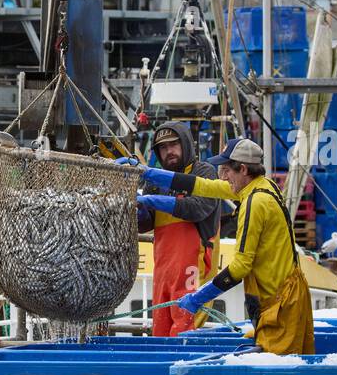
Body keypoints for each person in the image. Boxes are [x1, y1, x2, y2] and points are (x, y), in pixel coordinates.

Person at [141, 137, 315, 355]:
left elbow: (241, 266)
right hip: (284, 300)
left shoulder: (255, 203)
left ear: (242, 169)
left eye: (225, 170)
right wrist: (149, 173)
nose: (222, 176)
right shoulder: (261, 186)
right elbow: (204, 185)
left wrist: (199, 297)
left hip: (279, 306)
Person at [134, 121, 222, 336]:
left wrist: (154, 201)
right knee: (160, 334)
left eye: (174, 145)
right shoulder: (155, 182)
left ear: (186, 145)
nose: (169, 151)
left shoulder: (205, 172)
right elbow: (145, 225)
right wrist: (137, 208)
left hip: (195, 269)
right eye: (163, 148)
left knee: (185, 332)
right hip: (163, 272)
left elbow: (198, 208)